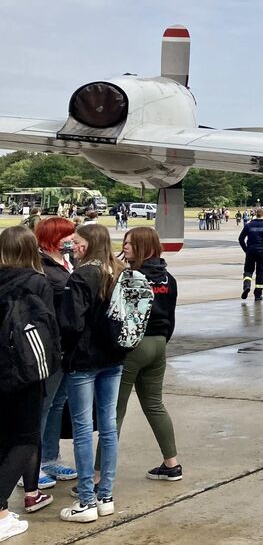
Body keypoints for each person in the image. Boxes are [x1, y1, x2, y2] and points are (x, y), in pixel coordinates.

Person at [59, 223, 125, 522]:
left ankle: (85, 499)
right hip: (114, 357)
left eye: (78, 240)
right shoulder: (119, 270)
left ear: (89, 243)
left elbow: (71, 323)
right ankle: (105, 495)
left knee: (84, 428)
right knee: (108, 426)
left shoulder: (84, 274)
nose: (74, 245)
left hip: (84, 360)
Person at [0, 226, 60, 539]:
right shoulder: (37, 281)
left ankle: (3, 511)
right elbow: (48, 326)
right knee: (25, 438)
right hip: (25, 371)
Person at [112, 227, 182, 481]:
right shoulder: (168, 279)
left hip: (134, 346)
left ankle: (99, 476)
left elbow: (118, 315)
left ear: (143, 246)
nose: (125, 246)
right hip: (159, 345)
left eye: (130, 243)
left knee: (115, 411)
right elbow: (171, 316)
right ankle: (171, 463)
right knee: (154, 404)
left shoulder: (131, 277)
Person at [33, 218, 80, 493]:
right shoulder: (42, 268)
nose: (72, 239)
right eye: (68, 235)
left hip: (68, 347)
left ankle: (50, 457)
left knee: (57, 404)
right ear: (54, 236)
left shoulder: (65, 261)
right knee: (43, 406)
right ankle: (30, 464)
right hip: (52, 347)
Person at [238, 208, 263, 301]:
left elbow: (241, 238)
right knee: (260, 272)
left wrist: (245, 249)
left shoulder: (249, 225)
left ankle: (246, 286)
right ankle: (258, 294)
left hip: (250, 251)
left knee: (248, 271)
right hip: (261, 251)